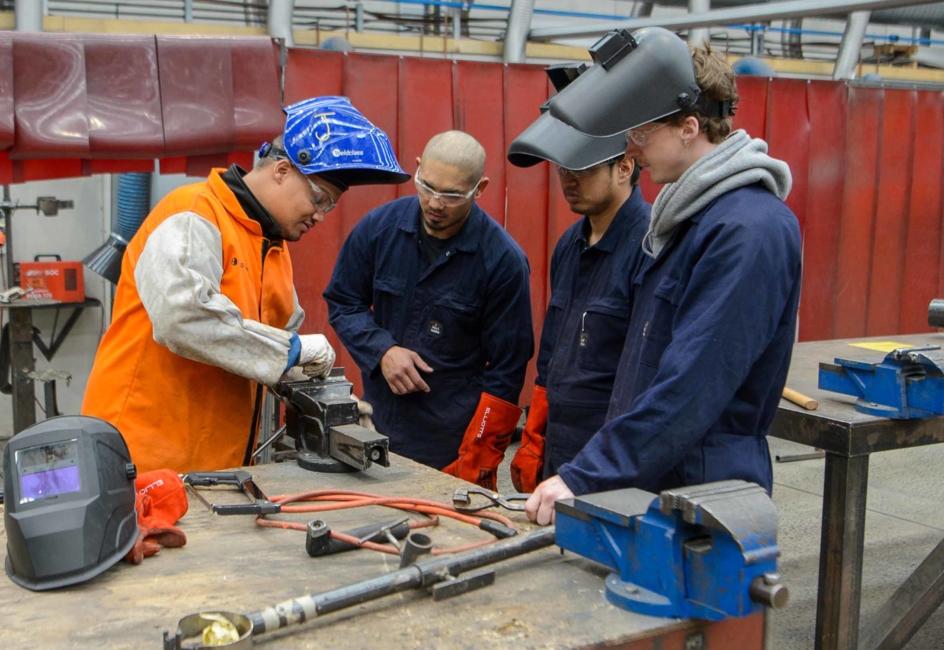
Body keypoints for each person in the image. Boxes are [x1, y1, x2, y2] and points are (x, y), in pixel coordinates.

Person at [526, 29, 801, 524]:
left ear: (689, 127)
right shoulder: (682, 222)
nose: (631, 148)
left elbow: (693, 386)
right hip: (651, 480)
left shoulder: (748, 228)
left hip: (702, 496)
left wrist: (587, 475)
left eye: (641, 133)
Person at [82, 96, 409, 474]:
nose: (320, 215)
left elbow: (261, 350)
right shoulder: (193, 214)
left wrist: (331, 399)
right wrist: (295, 350)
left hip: (216, 463)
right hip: (140, 458)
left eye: (329, 207)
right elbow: (183, 318)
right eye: (318, 199)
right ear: (282, 170)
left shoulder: (273, 249)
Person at [324, 131, 534, 489]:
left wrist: (478, 455)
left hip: (449, 443)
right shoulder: (379, 230)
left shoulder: (502, 261)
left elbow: (507, 369)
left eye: (452, 195)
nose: (435, 203)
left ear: (479, 189)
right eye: (427, 186)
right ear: (418, 169)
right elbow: (344, 300)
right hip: (376, 426)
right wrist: (382, 350)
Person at [506, 69, 651, 493]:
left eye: (581, 169)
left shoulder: (650, 248)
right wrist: (536, 433)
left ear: (624, 167)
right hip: (561, 443)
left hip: (610, 453)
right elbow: (553, 350)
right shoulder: (570, 244)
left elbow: (645, 372)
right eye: (562, 168)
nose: (567, 179)